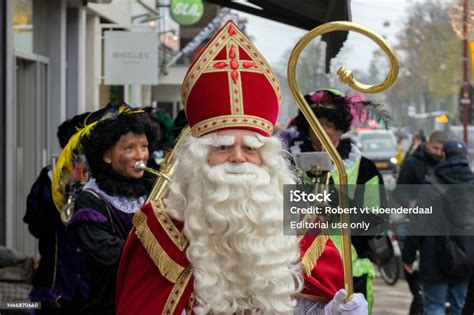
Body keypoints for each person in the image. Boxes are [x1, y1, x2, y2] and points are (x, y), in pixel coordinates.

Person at [116, 20, 367, 314]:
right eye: (223, 147)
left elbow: (313, 300)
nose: (238, 157)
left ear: (268, 159)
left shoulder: (302, 226)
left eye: (250, 148)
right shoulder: (161, 226)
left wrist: (336, 312)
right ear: (199, 159)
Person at [52, 103, 159, 315]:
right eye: (129, 148)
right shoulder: (91, 199)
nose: (140, 156)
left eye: (144, 146)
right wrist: (161, 246)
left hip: (154, 300)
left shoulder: (156, 186)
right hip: (111, 304)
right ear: (107, 156)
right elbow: (106, 253)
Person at [294, 89, 387, 314]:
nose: (323, 132)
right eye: (317, 124)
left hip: (351, 270)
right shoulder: (289, 166)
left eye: (331, 125)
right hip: (301, 273)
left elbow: (378, 225)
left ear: (341, 129)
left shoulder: (364, 168)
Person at [23, 113, 91, 314]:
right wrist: (61, 195)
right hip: (55, 276)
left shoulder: (105, 180)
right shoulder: (49, 177)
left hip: (93, 281)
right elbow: (35, 224)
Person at [402, 140, 474, 315]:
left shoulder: (431, 185)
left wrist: (408, 256)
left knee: (434, 305)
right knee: (461, 304)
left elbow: (417, 223)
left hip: (433, 257)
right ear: (466, 157)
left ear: (444, 156)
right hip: (467, 257)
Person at [396, 130, 447, 315]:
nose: (438, 152)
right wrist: (410, 203)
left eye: (442, 149)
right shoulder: (412, 164)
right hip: (417, 224)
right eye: (435, 148)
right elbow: (399, 192)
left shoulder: (446, 164)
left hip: (441, 233)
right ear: (427, 144)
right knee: (420, 293)